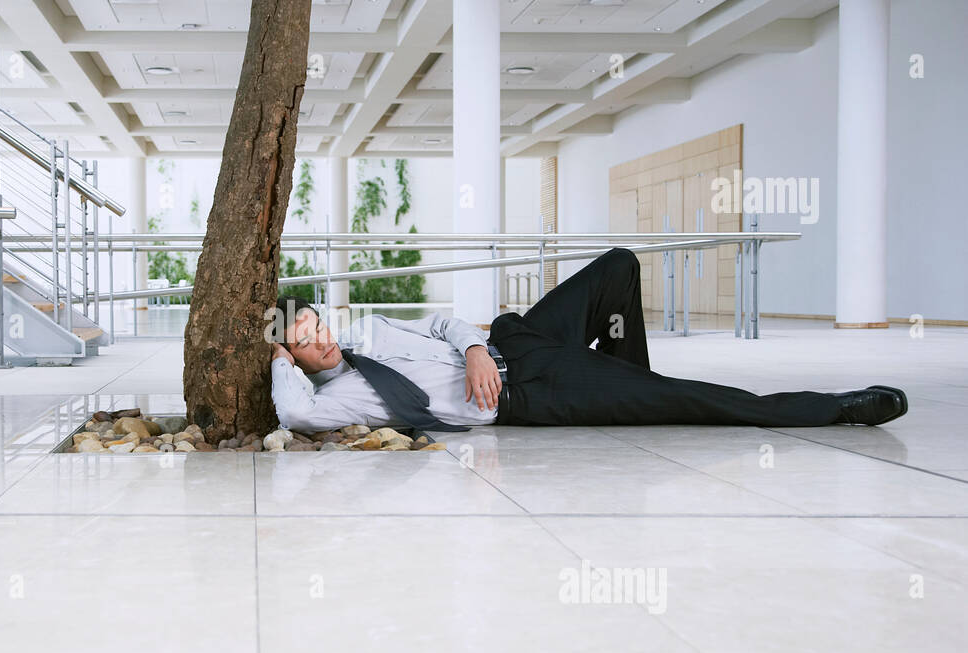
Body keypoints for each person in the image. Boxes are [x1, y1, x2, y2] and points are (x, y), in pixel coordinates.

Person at [268, 247, 907, 436]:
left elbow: (441, 322)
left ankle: (633, 387)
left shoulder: (366, 332)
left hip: (519, 342)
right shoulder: (338, 400)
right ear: (292, 356)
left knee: (618, 266)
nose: (321, 342)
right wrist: (275, 357)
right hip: (535, 393)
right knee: (698, 400)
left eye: (316, 325)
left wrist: (472, 348)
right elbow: (295, 411)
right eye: (304, 343)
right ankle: (838, 407)